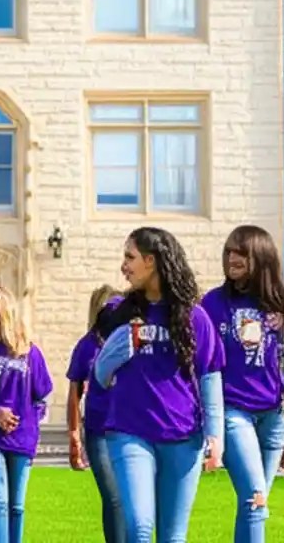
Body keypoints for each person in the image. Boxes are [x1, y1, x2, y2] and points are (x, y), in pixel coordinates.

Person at [93, 226, 225, 543]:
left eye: (130, 257)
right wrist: (122, 343)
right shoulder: (119, 313)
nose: (124, 266)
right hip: (129, 432)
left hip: (183, 436)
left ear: (150, 261)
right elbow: (101, 374)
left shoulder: (195, 317)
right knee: (139, 527)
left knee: (173, 536)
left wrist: (216, 435)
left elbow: (209, 376)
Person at [200, 225, 284, 543]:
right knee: (255, 500)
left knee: (254, 504)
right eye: (229, 251)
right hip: (235, 413)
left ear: (261, 257)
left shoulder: (281, 306)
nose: (232, 258)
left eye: (241, 253)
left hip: (274, 416)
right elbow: (202, 362)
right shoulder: (213, 303)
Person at [0, 284, 52, 543]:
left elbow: (42, 393)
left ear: (4, 308)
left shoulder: (28, 350)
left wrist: (29, 420)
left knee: (17, 506)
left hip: (22, 438)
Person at [65, 285, 126, 543]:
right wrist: (74, 435)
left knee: (129, 498)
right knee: (113, 496)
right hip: (98, 429)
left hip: (129, 427)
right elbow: (74, 392)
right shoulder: (87, 346)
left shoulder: (129, 340)